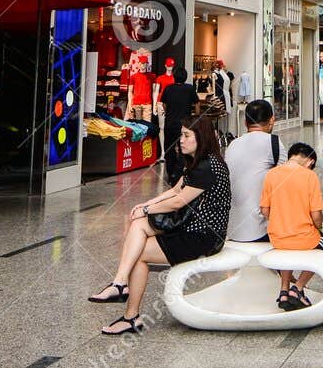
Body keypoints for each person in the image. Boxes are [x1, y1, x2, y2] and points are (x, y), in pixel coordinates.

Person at [88, 114, 229, 336]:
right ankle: (121, 286)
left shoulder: (207, 167)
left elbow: (178, 201)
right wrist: (146, 204)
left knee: (139, 252)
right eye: (181, 135)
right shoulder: (199, 162)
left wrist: (146, 210)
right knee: (138, 227)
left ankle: (129, 310)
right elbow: (174, 190)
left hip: (203, 237)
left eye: (186, 135)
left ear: (200, 138)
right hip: (190, 226)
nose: (180, 140)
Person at [259, 142, 323, 310]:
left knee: (286, 254)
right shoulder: (310, 177)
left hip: (277, 239)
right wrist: (319, 227)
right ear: (310, 162)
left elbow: (264, 210)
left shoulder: (271, 175)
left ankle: (283, 291)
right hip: (303, 239)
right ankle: (298, 288)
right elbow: (316, 215)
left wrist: (280, 220)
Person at [224, 98, 279, 243]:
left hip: (231, 229)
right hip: (260, 231)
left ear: (245, 123)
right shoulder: (273, 142)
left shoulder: (232, 145)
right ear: (272, 120)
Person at [159, 71, 199, 181]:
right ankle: (179, 173)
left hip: (170, 123)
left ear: (174, 77)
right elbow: (197, 104)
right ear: (185, 78)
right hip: (184, 125)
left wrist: (170, 112)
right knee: (183, 149)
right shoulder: (190, 88)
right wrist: (196, 117)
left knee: (169, 149)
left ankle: (170, 173)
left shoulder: (168, 88)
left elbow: (164, 104)